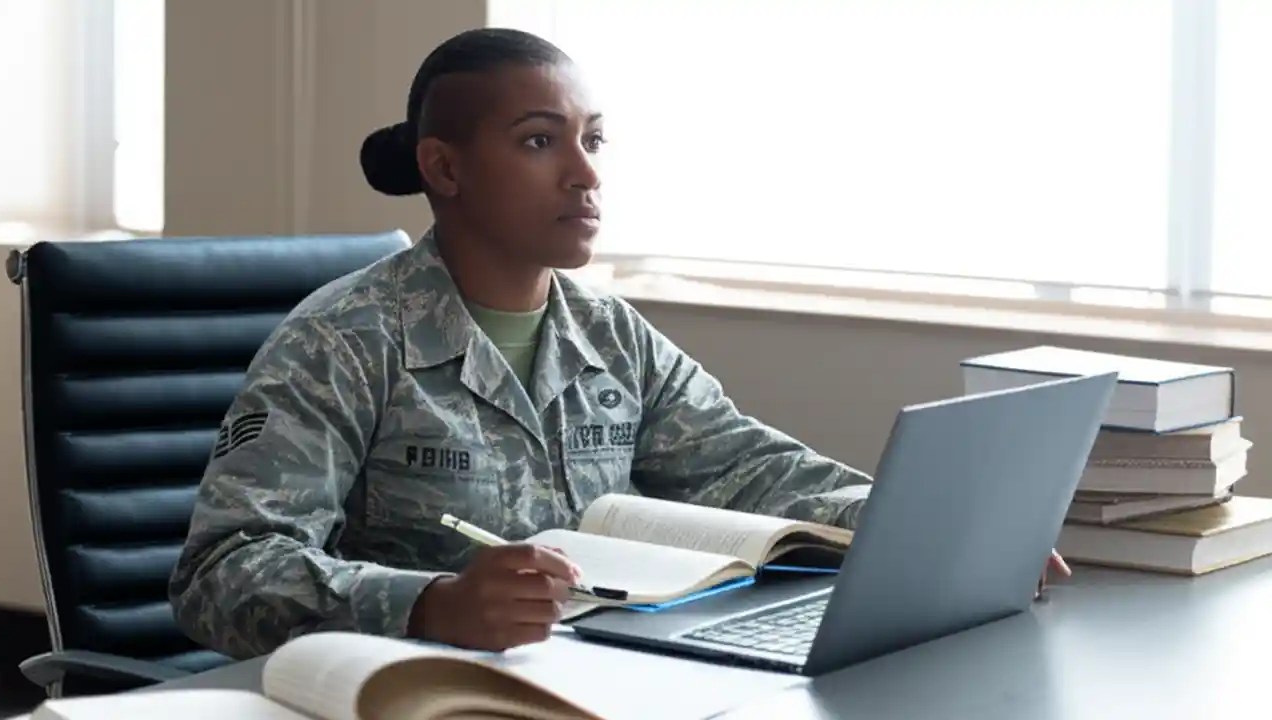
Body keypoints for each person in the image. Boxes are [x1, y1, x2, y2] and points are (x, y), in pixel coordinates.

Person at [169, 27, 1064, 660]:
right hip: (412, 692)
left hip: (593, 679)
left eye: (593, 141)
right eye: (539, 142)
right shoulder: (345, 342)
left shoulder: (607, 335)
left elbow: (752, 468)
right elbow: (222, 572)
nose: (586, 174)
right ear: (443, 168)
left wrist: (943, 533)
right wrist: (431, 604)